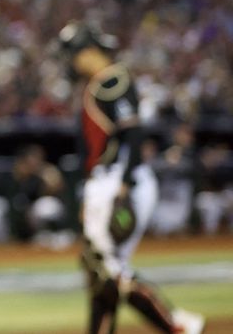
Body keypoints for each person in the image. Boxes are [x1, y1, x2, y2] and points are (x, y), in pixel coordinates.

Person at [57, 21, 205, 334]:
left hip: (118, 179)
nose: (70, 61)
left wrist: (123, 186)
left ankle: (178, 324)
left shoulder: (113, 80)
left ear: (88, 50)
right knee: (102, 273)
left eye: (72, 53)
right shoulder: (101, 82)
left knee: (105, 270)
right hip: (106, 181)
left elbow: (134, 135)